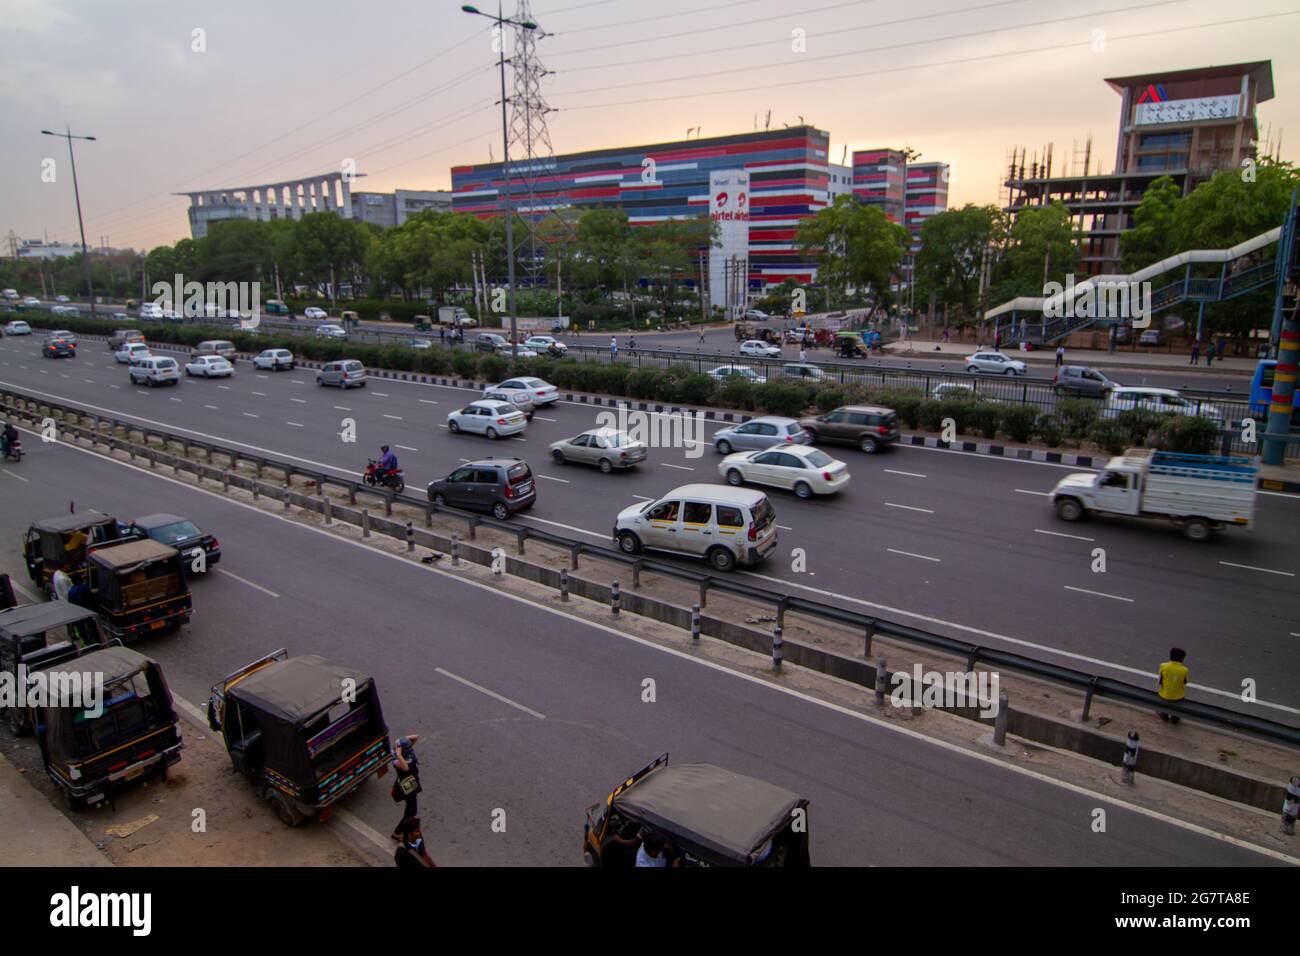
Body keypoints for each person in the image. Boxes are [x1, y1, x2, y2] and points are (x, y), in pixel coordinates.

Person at [389, 734, 422, 839]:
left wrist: (402, 741)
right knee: (411, 811)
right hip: (408, 788)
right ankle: (397, 833)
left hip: (409, 784)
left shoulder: (402, 755)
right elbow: (406, 768)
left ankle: (401, 831)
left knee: (411, 810)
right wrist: (399, 753)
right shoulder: (398, 761)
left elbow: (415, 737)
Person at [1157, 647, 1189, 724]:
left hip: (1164, 695)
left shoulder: (1163, 666)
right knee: (1179, 702)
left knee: (1164, 700)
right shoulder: (1184, 670)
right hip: (1178, 696)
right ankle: (1175, 719)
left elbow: (1159, 681)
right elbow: (1185, 682)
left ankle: (1164, 716)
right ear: (1181, 658)